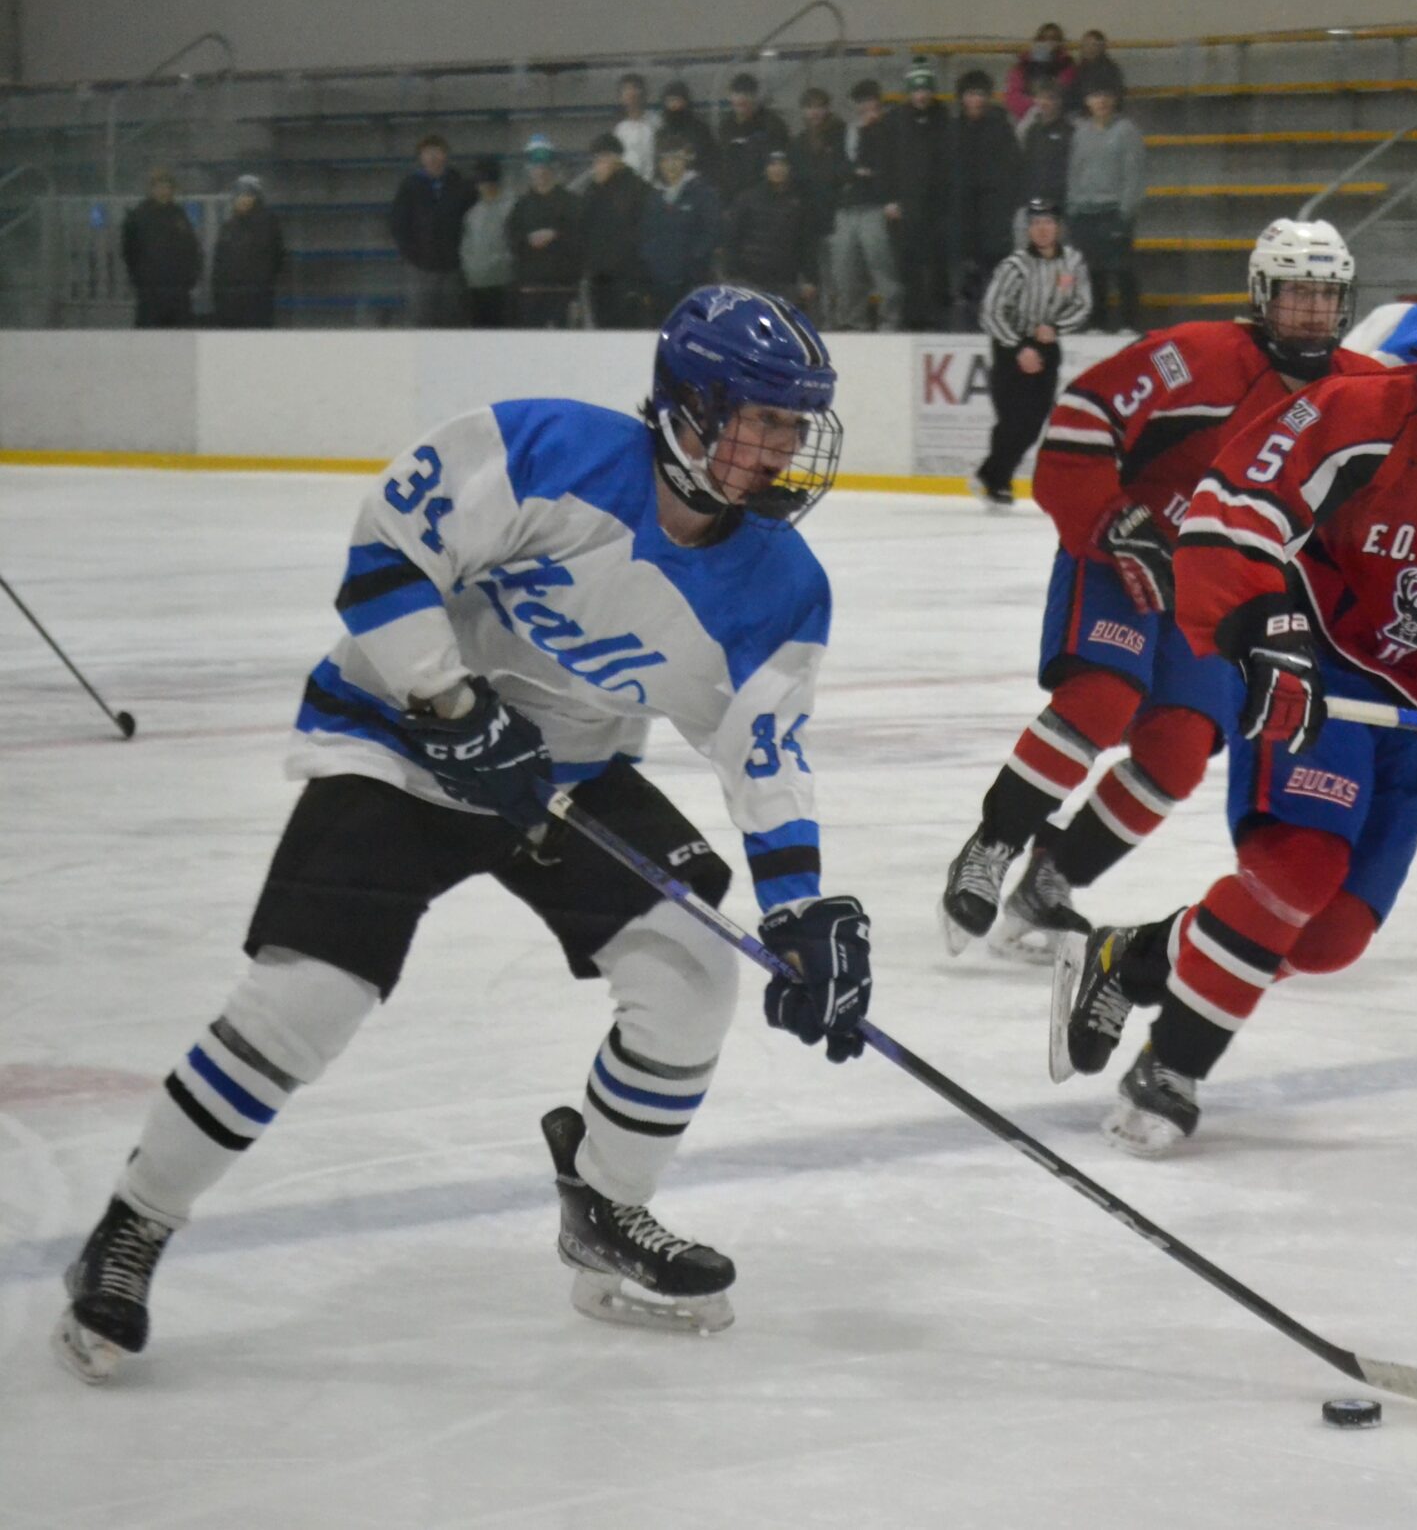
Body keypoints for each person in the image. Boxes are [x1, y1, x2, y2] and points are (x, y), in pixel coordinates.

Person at [51, 287, 870, 1382]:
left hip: (566, 776)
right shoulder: (544, 447)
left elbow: (764, 753)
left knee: (690, 973)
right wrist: (449, 703)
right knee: (308, 1001)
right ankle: (133, 1225)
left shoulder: (781, 585)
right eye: (755, 418)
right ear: (685, 405)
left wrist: (801, 912)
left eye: (791, 426)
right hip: (397, 744)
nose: (775, 450)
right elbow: (383, 556)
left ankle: (607, 1208)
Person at [1048, 244, 1417, 1156]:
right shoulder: (1356, 410)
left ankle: (1139, 954)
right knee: (1296, 873)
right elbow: (1229, 515)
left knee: (1329, 936)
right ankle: (1172, 1068)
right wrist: (1266, 626)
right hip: (1313, 675)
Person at [937, 220, 1364, 966]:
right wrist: (1111, 515)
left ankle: (1049, 883)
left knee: (1178, 752)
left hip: (1217, 589)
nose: (1312, 316)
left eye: (1326, 299)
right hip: (1126, 553)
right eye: (1297, 297)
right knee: (1101, 699)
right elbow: (1081, 418)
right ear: (1263, 297)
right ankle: (992, 844)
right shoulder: (1195, 356)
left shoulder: (1359, 392)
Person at [972, 199, 1093, 505]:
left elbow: (1082, 304)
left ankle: (992, 474)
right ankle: (997, 479)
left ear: (1058, 228)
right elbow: (991, 311)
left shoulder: (1072, 263)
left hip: (1048, 346)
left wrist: (1055, 327)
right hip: (1010, 344)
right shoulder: (1015, 266)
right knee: (1012, 419)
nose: (1042, 230)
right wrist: (1018, 347)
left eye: (1048, 223)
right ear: (1028, 229)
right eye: (1036, 224)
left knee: (1035, 421)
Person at [879, 58, 953, 331]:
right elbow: (884, 163)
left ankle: (938, 319)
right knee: (907, 265)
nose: (921, 96)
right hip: (905, 205)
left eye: (925, 90)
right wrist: (889, 199)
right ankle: (910, 319)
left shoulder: (944, 118)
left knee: (936, 263)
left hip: (936, 206)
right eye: (916, 90)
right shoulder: (894, 121)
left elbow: (950, 163)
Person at [1067, 80, 1144, 331]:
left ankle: (1129, 324)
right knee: (1092, 273)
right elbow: (1073, 171)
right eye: (1094, 94)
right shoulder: (1080, 131)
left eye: (1106, 94)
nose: (1100, 100)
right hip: (1085, 212)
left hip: (1114, 211)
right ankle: (1096, 324)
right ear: (1086, 100)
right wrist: (1073, 206)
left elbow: (1134, 174)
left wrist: (1125, 212)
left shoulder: (1126, 130)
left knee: (1122, 271)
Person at [949, 68, 1022, 319]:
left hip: (995, 211)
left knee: (996, 268)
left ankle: (998, 316)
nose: (976, 100)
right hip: (962, 211)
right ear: (962, 97)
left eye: (980, 94)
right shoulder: (953, 128)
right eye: (971, 94)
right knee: (966, 271)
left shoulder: (1001, 126)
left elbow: (1013, 169)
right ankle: (968, 318)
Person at [833, 79, 901, 331]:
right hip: (847, 206)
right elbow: (839, 166)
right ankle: (853, 320)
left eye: (870, 100)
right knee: (845, 268)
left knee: (881, 265)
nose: (866, 106)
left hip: (875, 205)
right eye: (860, 101)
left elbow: (887, 166)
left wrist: (891, 199)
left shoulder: (888, 128)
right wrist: (855, 172)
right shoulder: (847, 130)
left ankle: (889, 318)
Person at [388, 135, 474, 327]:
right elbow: (398, 224)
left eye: (437, 152)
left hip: (452, 267)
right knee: (421, 320)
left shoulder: (460, 185)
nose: (433, 157)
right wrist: (413, 254)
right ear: (421, 157)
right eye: (428, 153)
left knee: (453, 320)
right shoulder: (410, 186)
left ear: (445, 155)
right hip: (420, 268)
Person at [723, 146, 820, 310]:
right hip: (749, 279)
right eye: (773, 165)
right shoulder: (747, 199)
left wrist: (811, 279)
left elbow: (806, 243)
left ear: (789, 169)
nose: (778, 169)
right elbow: (733, 238)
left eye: (782, 165)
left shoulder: (800, 202)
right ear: (765, 169)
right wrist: (731, 274)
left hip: (786, 280)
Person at [580, 133, 653, 329]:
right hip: (599, 279)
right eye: (594, 160)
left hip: (628, 280)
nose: (596, 165)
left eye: (601, 159)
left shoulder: (638, 189)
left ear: (616, 158)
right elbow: (584, 230)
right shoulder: (592, 191)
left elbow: (644, 234)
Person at [788, 87, 850, 315]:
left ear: (827, 109)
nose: (814, 112)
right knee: (815, 274)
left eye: (818, 107)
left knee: (841, 272)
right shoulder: (798, 143)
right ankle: (821, 319)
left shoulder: (841, 135)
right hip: (810, 218)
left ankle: (841, 317)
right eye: (809, 107)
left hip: (837, 214)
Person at [506, 140, 582, 329]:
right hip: (530, 291)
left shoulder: (572, 203)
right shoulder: (520, 207)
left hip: (564, 290)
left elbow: (581, 238)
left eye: (544, 166)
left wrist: (556, 235)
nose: (540, 171)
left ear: (553, 168)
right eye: (535, 167)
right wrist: (527, 240)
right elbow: (511, 239)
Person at [644, 141, 722, 316]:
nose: (671, 164)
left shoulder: (703, 193)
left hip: (692, 282)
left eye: (676, 159)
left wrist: (694, 260)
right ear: (660, 164)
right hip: (660, 283)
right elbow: (646, 235)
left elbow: (712, 231)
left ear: (685, 161)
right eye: (666, 160)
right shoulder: (653, 197)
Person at [122, 169, 202, 328]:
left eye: (167, 187)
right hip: (150, 291)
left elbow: (192, 249)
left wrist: (190, 278)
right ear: (151, 189)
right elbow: (129, 251)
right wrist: (140, 279)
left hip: (178, 291)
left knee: (179, 339)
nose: (163, 191)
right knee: (150, 339)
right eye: (159, 187)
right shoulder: (139, 216)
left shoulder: (179, 215)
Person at [209, 174, 283, 330]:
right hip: (230, 303)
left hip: (257, 300)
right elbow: (218, 265)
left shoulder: (268, 225)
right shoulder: (228, 227)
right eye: (240, 195)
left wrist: (261, 286)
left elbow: (277, 259)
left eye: (248, 195)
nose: (243, 199)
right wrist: (220, 297)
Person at [714, 73, 790, 203]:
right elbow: (721, 164)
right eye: (737, 94)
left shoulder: (772, 124)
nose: (741, 99)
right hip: (733, 200)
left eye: (746, 94)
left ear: (755, 97)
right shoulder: (726, 126)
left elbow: (781, 163)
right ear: (731, 97)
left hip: (765, 201)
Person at [459, 157, 515, 328]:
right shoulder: (473, 213)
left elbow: (516, 245)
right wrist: (471, 269)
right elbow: (466, 247)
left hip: (504, 284)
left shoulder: (512, 207)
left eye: (485, 180)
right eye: (479, 181)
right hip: (477, 285)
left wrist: (500, 263)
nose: (482, 186)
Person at [1018, 73, 1076, 212]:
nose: (1044, 102)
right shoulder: (1031, 130)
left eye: (1050, 98)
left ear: (1059, 101)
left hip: (1061, 201)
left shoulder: (1069, 132)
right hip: (1034, 199)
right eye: (1040, 97)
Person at [1004, 22, 1078, 121]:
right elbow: (1013, 96)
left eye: (1054, 39)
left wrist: (1045, 105)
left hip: (1058, 118)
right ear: (1037, 41)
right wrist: (1036, 106)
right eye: (1044, 39)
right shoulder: (1022, 65)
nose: (1049, 43)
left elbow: (1065, 96)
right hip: (1025, 117)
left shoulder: (1068, 66)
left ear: (1060, 43)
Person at [655, 80, 715, 171]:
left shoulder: (700, 130)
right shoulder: (662, 133)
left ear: (685, 102)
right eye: (669, 101)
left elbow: (709, 161)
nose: (673, 105)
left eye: (677, 100)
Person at [611, 72, 657, 180]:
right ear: (620, 98)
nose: (631, 93)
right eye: (626, 90)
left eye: (635, 88)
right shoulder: (620, 129)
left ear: (643, 94)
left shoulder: (656, 122)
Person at [1072, 30, 1127, 112]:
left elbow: (1116, 96)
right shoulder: (1077, 68)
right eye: (1086, 44)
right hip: (1079, 112)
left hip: (1104, 113)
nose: (1089, 48)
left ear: (1102, 47)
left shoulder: (1110, 69)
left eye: (1094, 45)